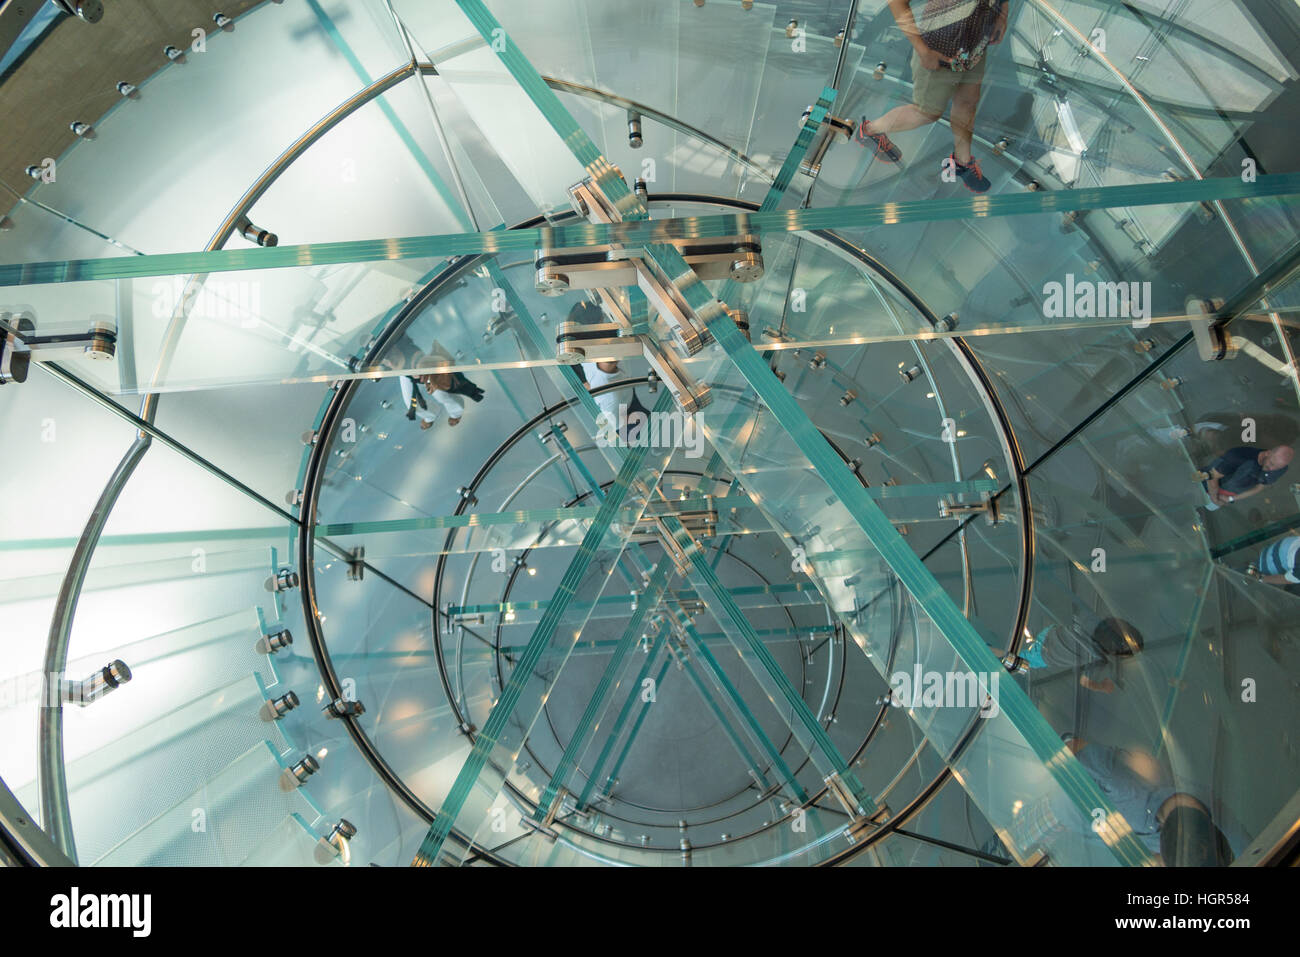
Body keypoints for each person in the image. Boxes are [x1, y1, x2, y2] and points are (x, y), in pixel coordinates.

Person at [993, 736, 1232, 865]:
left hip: (1076, 834)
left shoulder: (1176, 834)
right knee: (1003, 848)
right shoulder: (1124, 787)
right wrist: (1042, 775)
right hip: (1055, 811)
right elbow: (1072, 748)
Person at [855, 0, 1009, 193]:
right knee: (927, 111)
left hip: (976, 43)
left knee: (967, 102)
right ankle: (869, 131)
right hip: (939, 49)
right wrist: (922, 50)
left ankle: (962, 161)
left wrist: (1002, 12)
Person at [1004, 616, 1144, 695]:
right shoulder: (1098, 658)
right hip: (1046, 654)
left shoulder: (1092, 621)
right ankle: (990, 654)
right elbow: (1084, 682)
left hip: (1050, 632)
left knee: (1019, 653)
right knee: (1016, 662)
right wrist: (1102, 686)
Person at [1199, 444, 1293, 511]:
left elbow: (1260, 487)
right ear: (1267, 453)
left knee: (1208, 509)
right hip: (1205, 486)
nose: (1271, 469)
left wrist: (1231, 499)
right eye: (1271, 463)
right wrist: (1214, 499)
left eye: (1276, 468)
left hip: (1226, 495)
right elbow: (1212, 477)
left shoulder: (1280, 467)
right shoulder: (1239, 456)